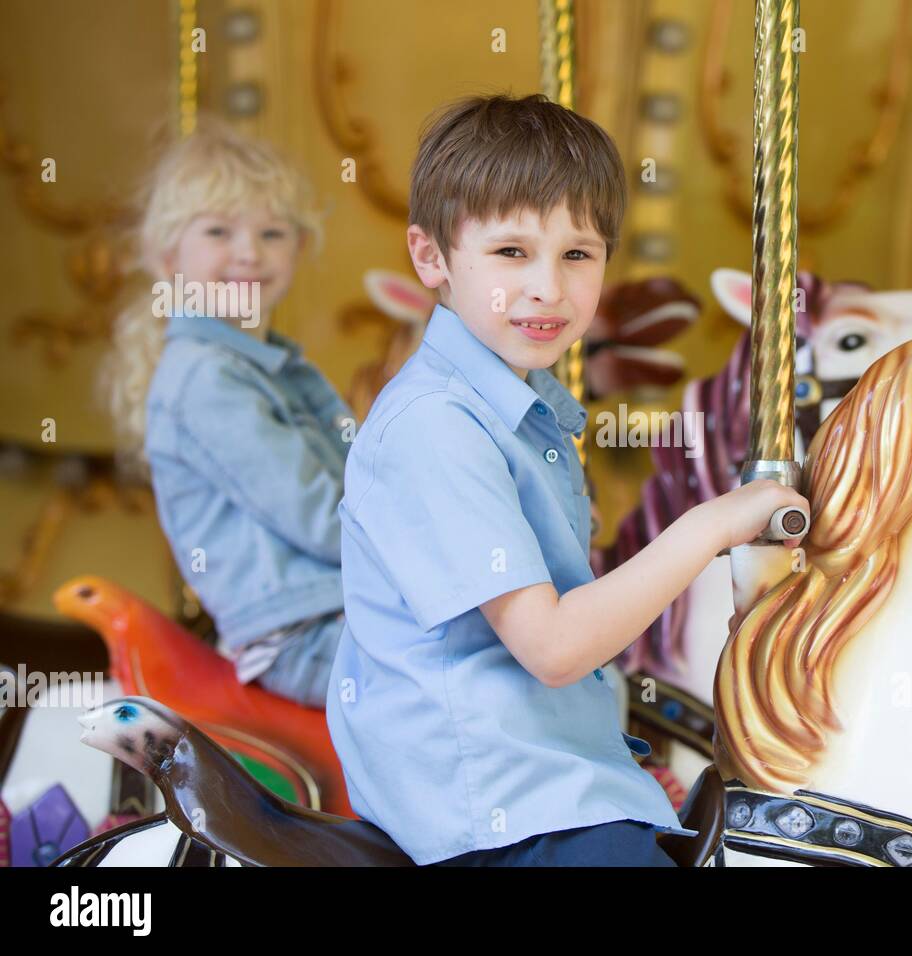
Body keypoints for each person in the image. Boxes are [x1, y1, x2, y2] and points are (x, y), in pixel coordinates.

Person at [326, 93, 809, 866]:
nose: (548, 287)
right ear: (431, 257)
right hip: (495, 798)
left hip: (554, 771)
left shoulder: (524, 413)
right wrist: (713, 525)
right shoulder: (434, 424)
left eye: (578, 254)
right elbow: (551, 646)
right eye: (512, 253)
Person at [104, 120, 350, 708]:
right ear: (168, 258)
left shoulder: (275, 369)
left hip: (333, 608)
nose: (249, 252)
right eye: (219, 231)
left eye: (273, 231)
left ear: (299, 247)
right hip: (303, 629)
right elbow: (317, 515)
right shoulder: (206, 378)